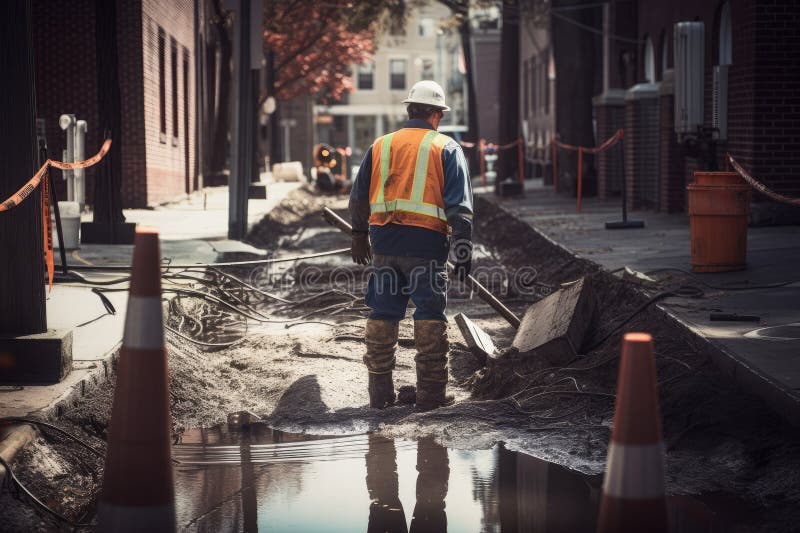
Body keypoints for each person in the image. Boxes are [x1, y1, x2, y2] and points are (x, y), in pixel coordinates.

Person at [349, 80, 473, 411]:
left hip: (384, 244)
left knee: (383, 312)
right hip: (427, 246)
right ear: (437, 114)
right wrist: (462, 250)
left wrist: (358, 235)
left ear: (409, 110)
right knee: (430, 313)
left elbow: (359, 196)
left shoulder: (381, 145)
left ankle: (380, 396)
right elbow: (459, 208)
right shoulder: (446, 148)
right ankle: (431, 397)